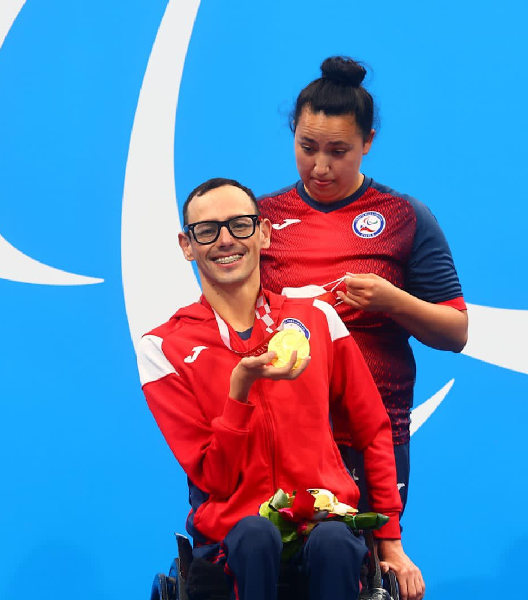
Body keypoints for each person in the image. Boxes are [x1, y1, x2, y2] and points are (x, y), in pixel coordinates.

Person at [138, 178, 425, 600]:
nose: (225, 240)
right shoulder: (165, 347)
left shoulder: (317, 318)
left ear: (264, 233)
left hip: (324, 522)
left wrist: (391, 541)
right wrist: (239, 393)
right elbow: (215, 479)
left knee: (334, 540)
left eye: (239, 225)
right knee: (255, 535)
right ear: (187, 245)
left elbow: (372, 430)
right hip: (232, 540)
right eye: (207, 230)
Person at [259, 56, 468, 515]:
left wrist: (394, 302)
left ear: (368, 141)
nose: (320, 166)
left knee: (366, 556)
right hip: (279, 433)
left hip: (373, 436)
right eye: (307, 147)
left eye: (338, 151)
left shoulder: (404, 216)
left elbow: (456, 332)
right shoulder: (261, 218)